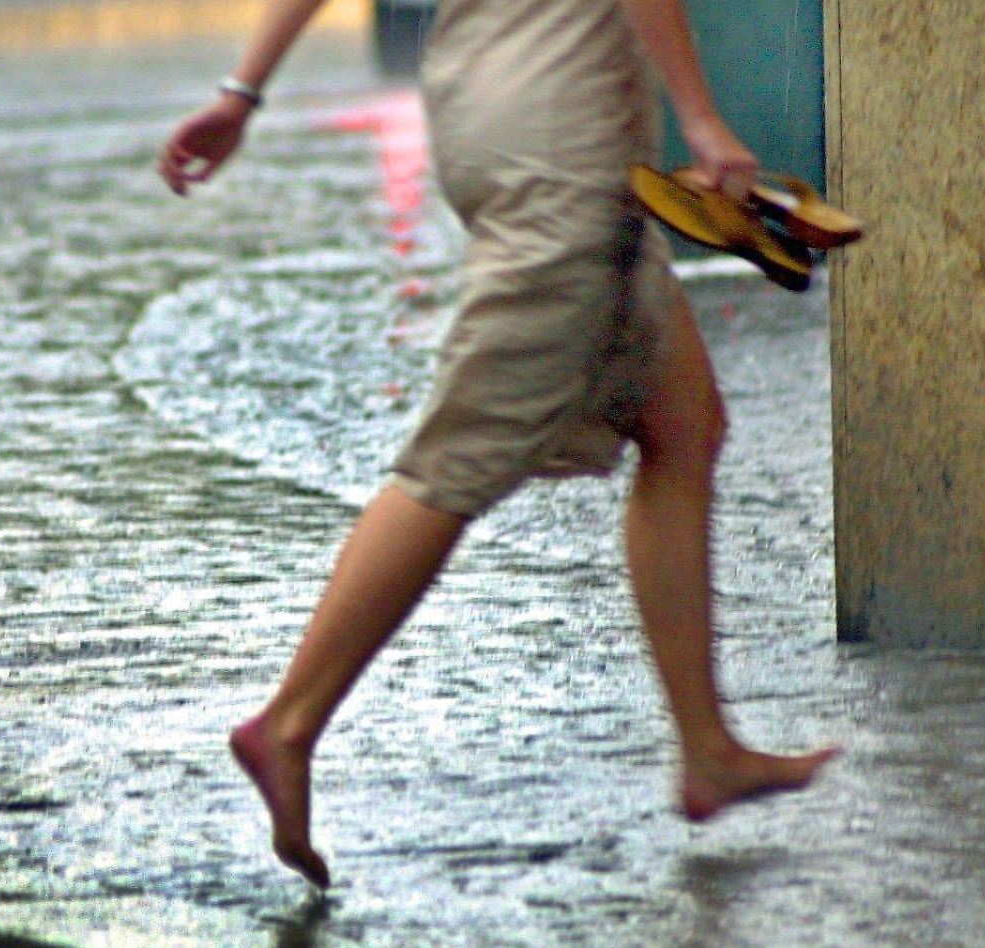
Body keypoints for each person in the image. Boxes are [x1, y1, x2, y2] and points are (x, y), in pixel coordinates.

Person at [158, 0, 837, 890]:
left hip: (489, 98)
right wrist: (702, 120)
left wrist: (242, 93)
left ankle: (707, 749)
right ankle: (287, 725)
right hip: (563, 131)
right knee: (462, 451)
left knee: (682, 425)